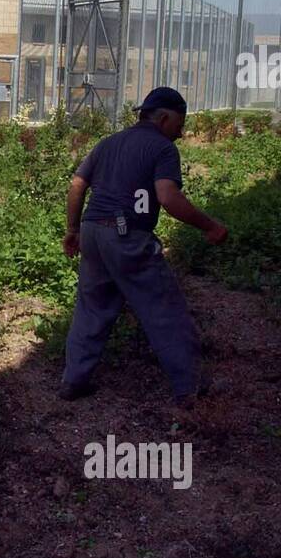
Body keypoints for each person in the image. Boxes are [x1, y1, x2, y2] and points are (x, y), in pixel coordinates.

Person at [59, 86, 228, 408]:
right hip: (127, 236)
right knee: (164, 308)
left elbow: (77, 184)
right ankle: (190, 388)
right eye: (179, 124)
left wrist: (72, 229)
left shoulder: (108, 143)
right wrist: (210, 226)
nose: (181, 132)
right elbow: (168, 197)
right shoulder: (162, 148)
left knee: (91, 309)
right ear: (164, 117)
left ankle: (73, 381)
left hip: (93, 232)